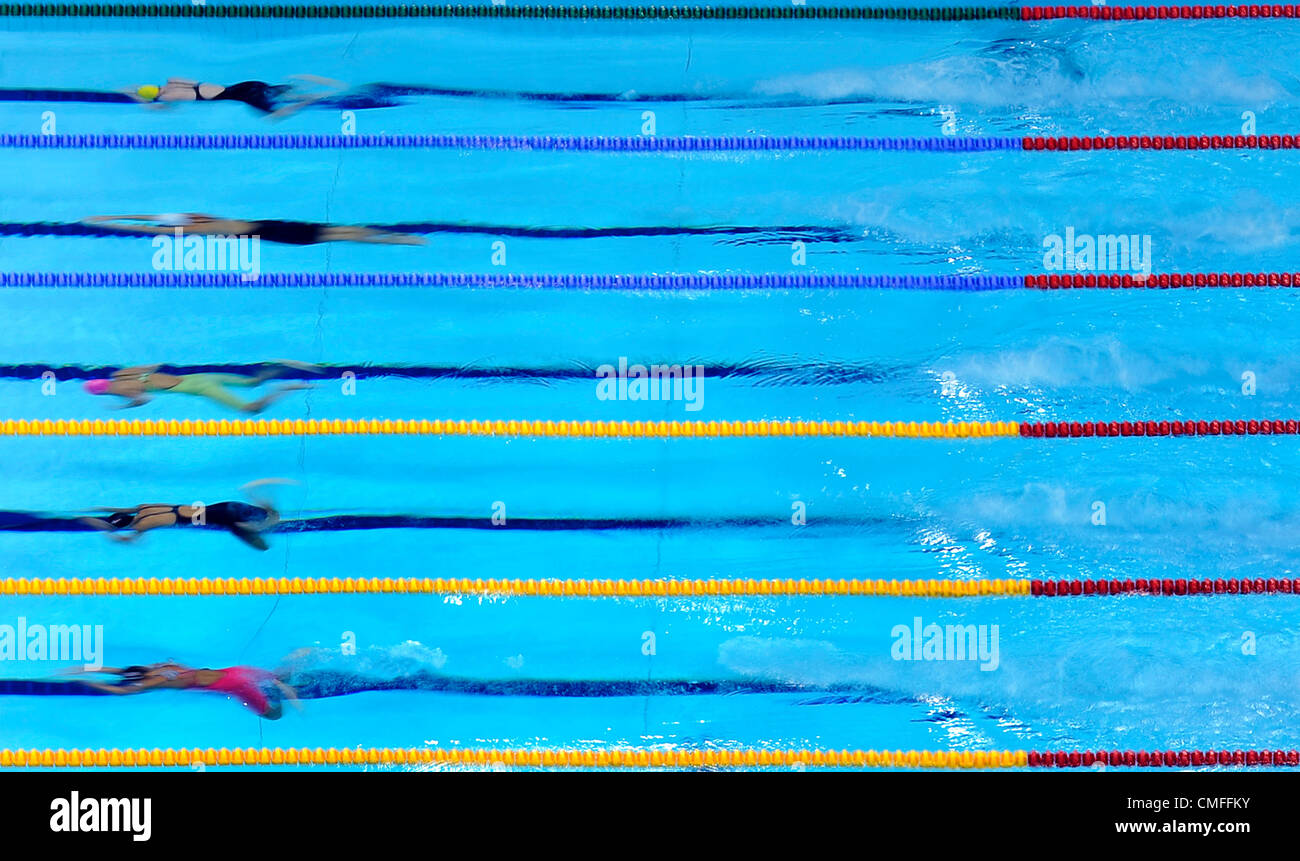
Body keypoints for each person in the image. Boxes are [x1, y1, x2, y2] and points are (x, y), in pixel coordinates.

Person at [70, 662, 298, 719]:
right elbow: (116, 671)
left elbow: (122, 691)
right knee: (274, 675)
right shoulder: (163, 668)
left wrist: (91, 684)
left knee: (273, 716)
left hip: (230, 685)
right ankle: (288, 672)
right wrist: (82, 668)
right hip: (232, 671)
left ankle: (284, 694)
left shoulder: (154, 681)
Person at [81, 361, 316, 413]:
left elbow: (145, 400)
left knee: (251, 409)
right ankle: (282, 366)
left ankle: (285, 389)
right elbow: (156, 365)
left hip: (202, 388)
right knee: (252, 382)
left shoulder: (122, 391)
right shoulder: (122, 374)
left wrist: (120, 408)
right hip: (199, 376)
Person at [81, 213, 425, 246]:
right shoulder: (198, 225)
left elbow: (146, 221)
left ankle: (396, 238)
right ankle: (396, 238)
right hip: (278, 231)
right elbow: (144, 225)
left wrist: (107, 219)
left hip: (277, 228)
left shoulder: (198, 223)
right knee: (342, 233)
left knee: (343, 233)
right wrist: (111, 221)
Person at [81, 500, 279, 550]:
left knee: (262, 546)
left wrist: (111, 536)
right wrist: (99, 508)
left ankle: (270, 521)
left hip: (225, 518)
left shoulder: (142, 525)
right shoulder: (144, 508)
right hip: (224, 505)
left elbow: (129, 540)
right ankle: (269, 510)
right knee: (268, 513)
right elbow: (122, 510)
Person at [126, 75, 345, 118]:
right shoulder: (173, 80)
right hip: (247, 85)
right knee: (285, 91)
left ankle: (310, 100)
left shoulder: (171, 96)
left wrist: (138, 99)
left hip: (245, 96)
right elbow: (139, 86)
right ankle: (326, 89)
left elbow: (155, 108)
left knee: (273, 116)